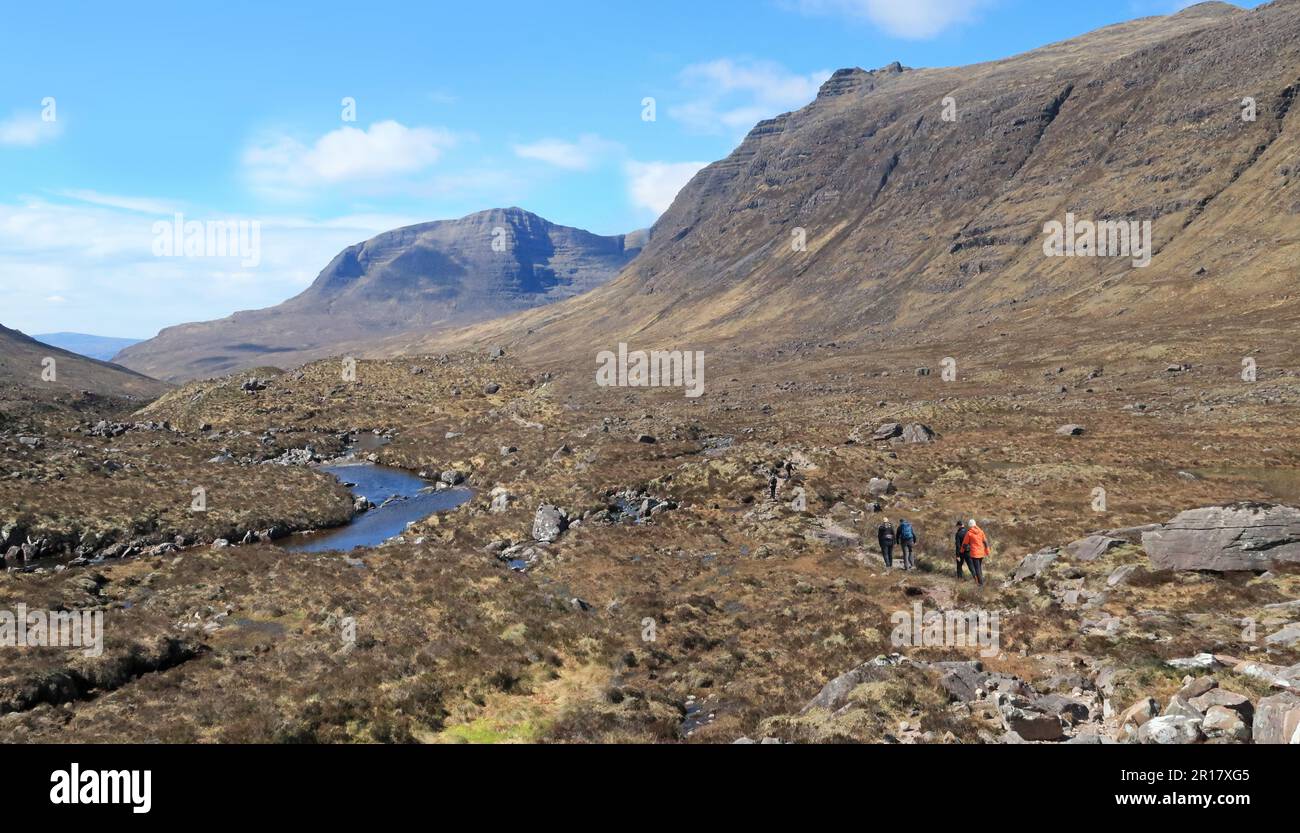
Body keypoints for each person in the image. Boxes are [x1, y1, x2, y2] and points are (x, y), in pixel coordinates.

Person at [961, 518, 991, 587]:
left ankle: (981, 584)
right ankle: (981, 582)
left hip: (974, 554)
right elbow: (985, 542)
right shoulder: (981, 531)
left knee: (977, 569)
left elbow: (964, 544)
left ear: (969, 526)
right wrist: (987, 551)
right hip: (981, 553)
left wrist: (961, 551)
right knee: (979, 568)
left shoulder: (969, 533)